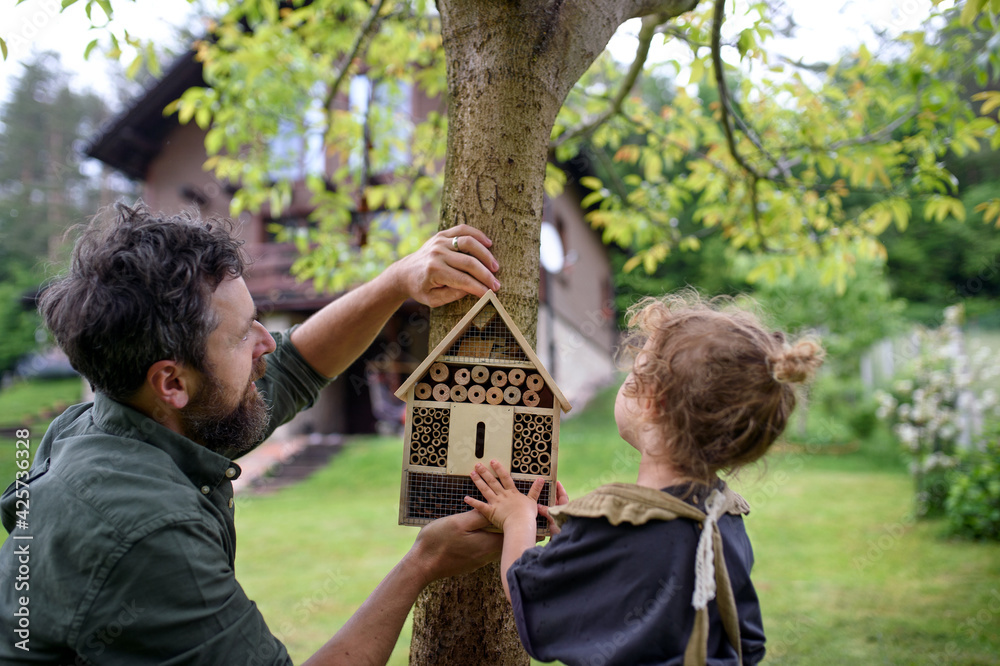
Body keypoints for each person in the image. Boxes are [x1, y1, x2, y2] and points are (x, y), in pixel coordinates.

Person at [0, 201, 504, 665]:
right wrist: (422, 563)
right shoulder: (147, 531)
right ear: (172, 381)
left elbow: (297, 365)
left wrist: (397, 281)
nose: (268, 342)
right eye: (244, 336)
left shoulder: (130, 419)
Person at [465, 291, 825, 666]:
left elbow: (531, 592)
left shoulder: (618, 525)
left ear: (653, 403)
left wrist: (516, 519)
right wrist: (574, 546)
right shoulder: (723, 521)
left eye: (632, 375)